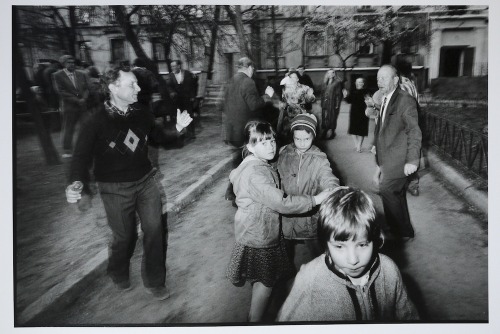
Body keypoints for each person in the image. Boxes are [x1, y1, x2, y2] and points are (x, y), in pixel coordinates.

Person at [65, 64, 193, 300]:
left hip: (145, 182)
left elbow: (159, 139)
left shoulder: (142, 113)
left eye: (136, 82)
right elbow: (80, 158)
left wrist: (177, 128)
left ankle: (155, 281)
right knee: (124, 237)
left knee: (155, 230)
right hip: (114, 188)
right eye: (131, 83)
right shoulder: (95, 121)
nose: (137, 87)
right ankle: (117, 269)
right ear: (113, 87)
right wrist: (75, 184)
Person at [226, 120, 333, 322]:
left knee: (261, 281)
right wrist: (316, 199)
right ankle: (254, 322)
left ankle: (253, 318)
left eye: (272, 140)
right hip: (260, 235)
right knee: (266, 284)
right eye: (263, 143)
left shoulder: (256, 163)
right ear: (250, 146)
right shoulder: (255, 173)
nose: (271, 146)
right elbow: (281, 203)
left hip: (254, 230)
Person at [277, 187, 419, 321]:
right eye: (339, 246)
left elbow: (409, 319)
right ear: (325, 244)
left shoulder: (389, 270)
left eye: (362, 245)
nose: (352, 260)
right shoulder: (309, 280)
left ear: (375, 240)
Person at [277, 113, 339, 267]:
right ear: (292, 137)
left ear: (314, 136)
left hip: (310, 217)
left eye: (306, 139)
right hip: (285, 217)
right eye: (298, 139)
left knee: (317, 257)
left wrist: (332, 188)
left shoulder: (319, 158)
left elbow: (327, 175)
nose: (302, 143)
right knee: (284, 258)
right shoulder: (284, 153)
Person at [371, 64, 422, 239]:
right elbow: (382, 125)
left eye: (384, 78)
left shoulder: (405, 99)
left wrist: (412, 160)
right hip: (386, 155)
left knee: (386, 189)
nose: (380, 82)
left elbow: (414, 131)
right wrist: (375, 143)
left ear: (395, 80)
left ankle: (396, 231)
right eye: (378, 78)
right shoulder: (385, 98)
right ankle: (405, 231)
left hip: (400, 158)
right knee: (397, 194)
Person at [223, 57, 274, 202]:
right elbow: (254, 105)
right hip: (244, 131)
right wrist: (267, 96)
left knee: (238, 159)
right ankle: (236, 194)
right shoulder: (248, 81)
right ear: (250, 67)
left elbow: (221, 105)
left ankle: (231, 192)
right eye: (253, 70)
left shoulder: (230, 81)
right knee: (245, 162)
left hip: (231, 130)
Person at [52, 55, 90, 158]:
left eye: (73, 62)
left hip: (82, 105)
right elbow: (61, 91)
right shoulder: (57, 75)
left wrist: (84, 99)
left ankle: (86, 148)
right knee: (68, 128)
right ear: (63, 64)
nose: (72, 64)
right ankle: (67, 150)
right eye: (69, 62)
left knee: (86, 127)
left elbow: (87, 88)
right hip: (69, 106)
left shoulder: (82, 74)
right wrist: (77, 100)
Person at [397, 61, 422, 197]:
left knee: (401, 153)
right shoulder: (412, 84)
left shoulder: (401, 86)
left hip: (404, 124)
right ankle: (414, 185)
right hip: (414, 121)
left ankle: (405, 184)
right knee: (410, 151)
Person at [276, 70, 315, 143]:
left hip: (299, 114)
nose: (292, 79)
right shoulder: (285, 88)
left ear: (297, 79)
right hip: (288, 115)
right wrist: (281, 104)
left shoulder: (304, 88)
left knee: (298, 133)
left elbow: (311, 99)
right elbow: (284, 100)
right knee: (288, 134)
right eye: (290, 77)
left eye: (294, 77)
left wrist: (310, 96)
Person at [166, 59, 198, 139]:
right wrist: (172, 92)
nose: (173, 68)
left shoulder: (187, 73)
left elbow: (193, 85)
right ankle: (182, 133)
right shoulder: (170, 75)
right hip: (177, 99)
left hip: (187, 98)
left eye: (174, 66)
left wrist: (193, 96)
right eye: (171, 66)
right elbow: (168, 86)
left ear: (179, 66)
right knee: (179, 116)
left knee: (189, 115)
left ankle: (191, 133)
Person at [343, 77, 370, 153]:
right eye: (358, 82)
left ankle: (359, 146)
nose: (359, 83)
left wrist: (368, 101)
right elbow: (349, 101)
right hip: (354, 112)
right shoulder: (353, 91)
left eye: (361, 82)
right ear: (355, 83)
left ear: (363, 83)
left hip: (363, 112)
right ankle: (356, 144)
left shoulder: (366, 91)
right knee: (353, 129)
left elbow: (369, 101)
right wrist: (345, 96)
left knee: (362, 129)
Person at [320, 69, 343, 139]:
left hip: (332, 103)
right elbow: (322, 93)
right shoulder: (325, 82)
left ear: (334, 74)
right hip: (325, 102)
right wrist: (322, 102)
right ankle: (325, 131)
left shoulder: (337, 82)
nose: (330, 74)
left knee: (332, 117)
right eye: (329, 73)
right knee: (325, 117)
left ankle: (332, 132)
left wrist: (337, 104)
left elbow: (338, 94)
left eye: (332, 73)